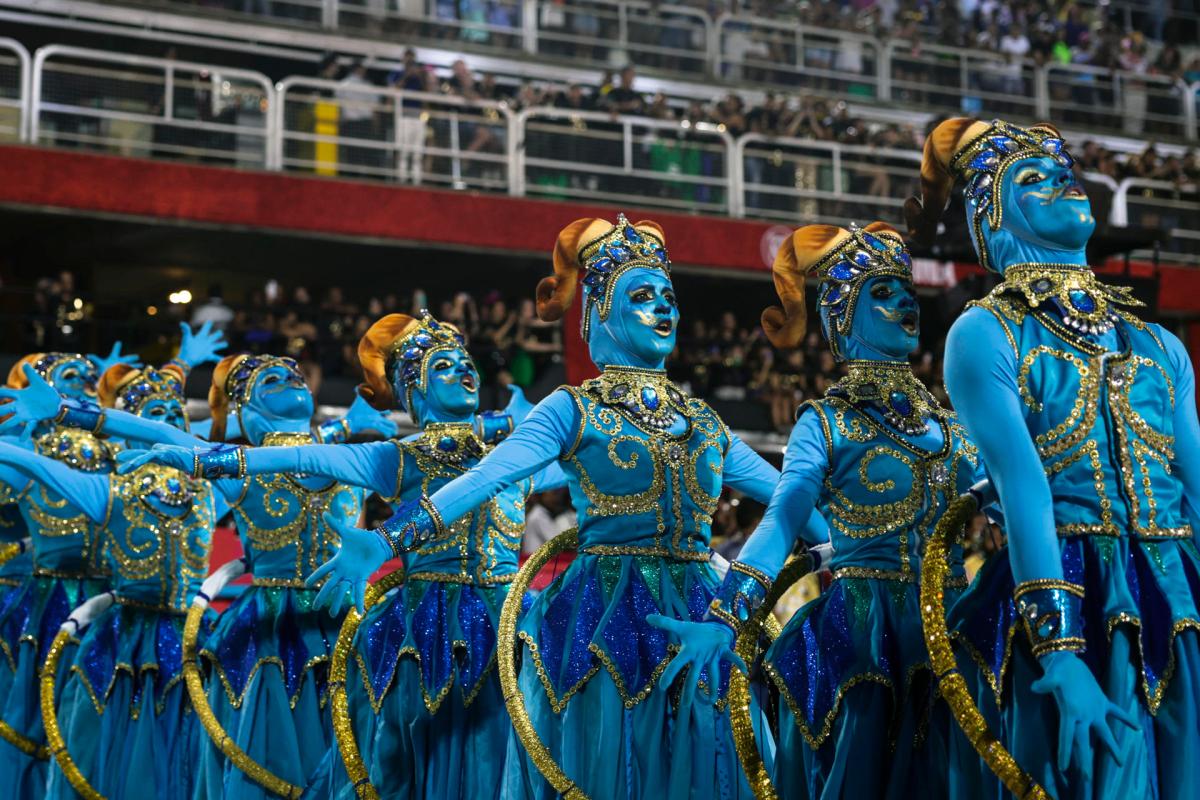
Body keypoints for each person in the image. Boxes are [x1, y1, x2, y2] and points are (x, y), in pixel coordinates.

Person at [286, 214, 827, 799]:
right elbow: (486, 476)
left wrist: (835, 557)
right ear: (599, 312)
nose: (663, 308)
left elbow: (791, 501)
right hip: (606, 615)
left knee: (707, 765)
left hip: (703, 613)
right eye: (641, 295)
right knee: (611, 765)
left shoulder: (704, 422)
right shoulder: (572, 408)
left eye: (669, 296)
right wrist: (392, 540)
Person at [118, 312, 548, 800]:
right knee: (414, 761)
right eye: (444, 366)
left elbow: (592, 463)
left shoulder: (513, 460)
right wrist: (200, 458)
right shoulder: (395, 457)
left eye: (465, 362)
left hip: (509, 622)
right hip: (426, 628)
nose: (464, 371)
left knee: (512, 755)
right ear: (416, 392)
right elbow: (297, 456)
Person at [907, 117, 1199, 799]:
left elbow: (1195, 484)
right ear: (994, 216)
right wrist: (1061, 653)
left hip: (1177, 589)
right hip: (1072, 585)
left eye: (1061, 170)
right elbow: (1024, 489)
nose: (1063, 180)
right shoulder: (986, 331)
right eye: (1032, 180)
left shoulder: (1158, 342)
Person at [653, 222, 982, 799]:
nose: (905, 300)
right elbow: (783, 515)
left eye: (905, 290)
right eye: (881, 293)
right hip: (866, 631)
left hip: (956, 628)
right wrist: (728, 617)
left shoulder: (956, 426)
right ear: (842, 318)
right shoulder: (826, 422)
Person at [0, 361, 219, 799]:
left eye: (177, 416)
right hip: (107, 629)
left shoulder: (213, 489)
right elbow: (30, 464)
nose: (171, 426)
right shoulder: (111, 487)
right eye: (157, 417)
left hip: (191, 638)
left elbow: (283, 460)